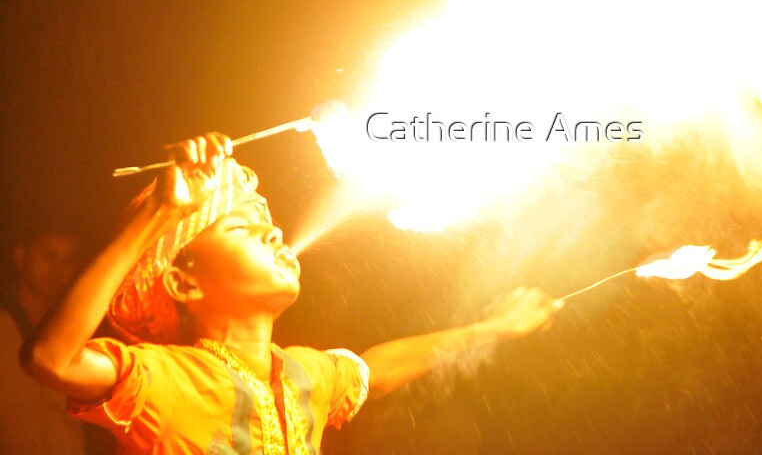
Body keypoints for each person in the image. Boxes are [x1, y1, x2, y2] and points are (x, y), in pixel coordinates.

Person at [20, 132, 561, 454]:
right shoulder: (162, 379)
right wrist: (160, 214)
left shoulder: (304, 374)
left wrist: (491, 329)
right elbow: (51, 357)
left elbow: (374, 371)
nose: (274, 233)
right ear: (184, 282)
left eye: (268, 222)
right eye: (241, 228)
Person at [0, 223, 89, 454]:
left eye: (68, 260)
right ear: (21, 257)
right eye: (48, 255)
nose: (57, 270)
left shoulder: (82, 335)